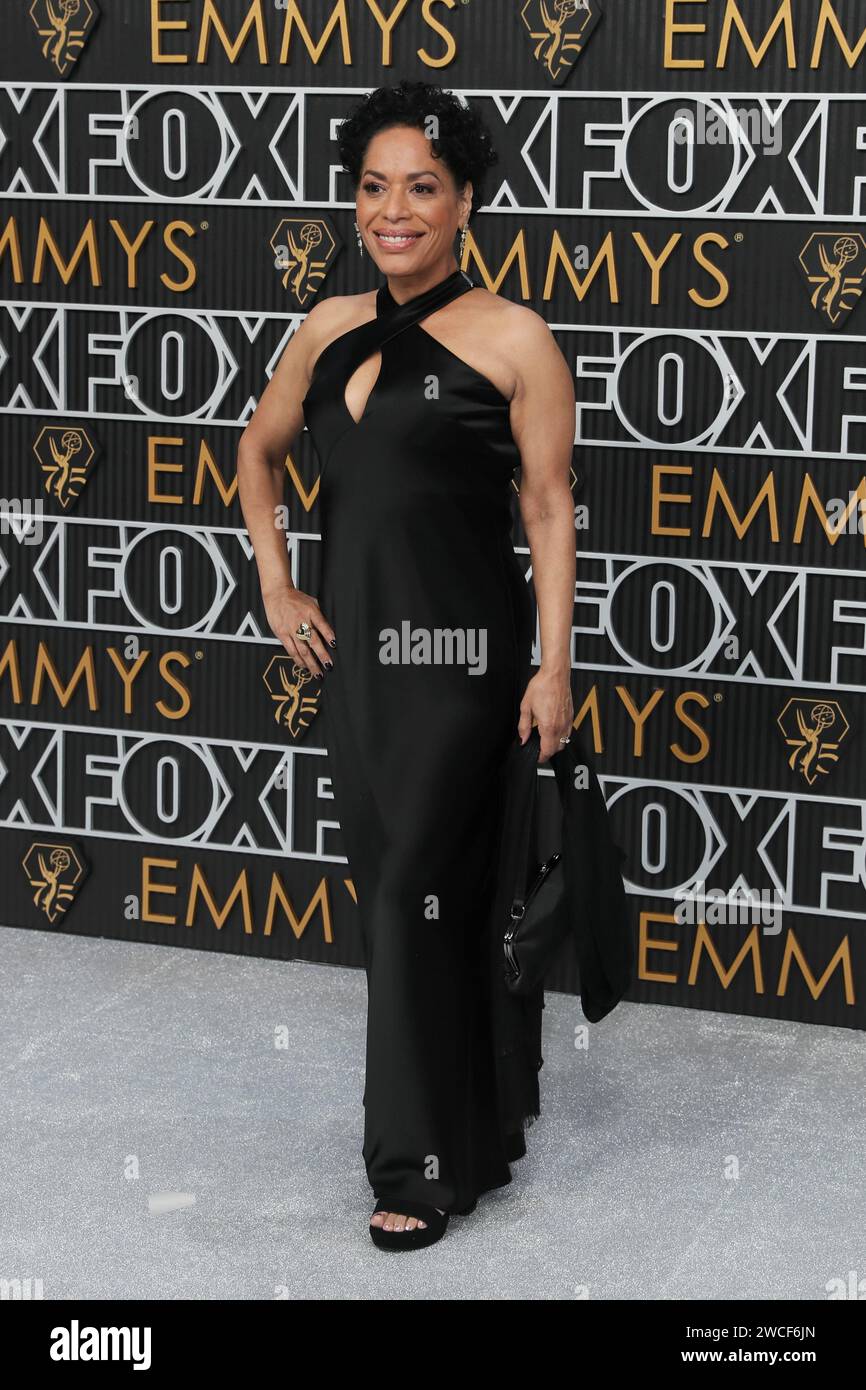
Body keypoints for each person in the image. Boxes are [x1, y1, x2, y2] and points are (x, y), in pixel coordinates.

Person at [237, 79, 577, 1250]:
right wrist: (277, 584)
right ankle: (470, 1130)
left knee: (407, 895)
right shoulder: (325, 330)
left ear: (465, 201)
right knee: (403, 908)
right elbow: (258, 451)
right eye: (374, 189)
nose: (394, 211)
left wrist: (552, 665)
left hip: (465, 664)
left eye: (421, 188)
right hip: (364, 673)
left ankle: (416, 1167)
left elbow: (544, 508)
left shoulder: (512, 336)